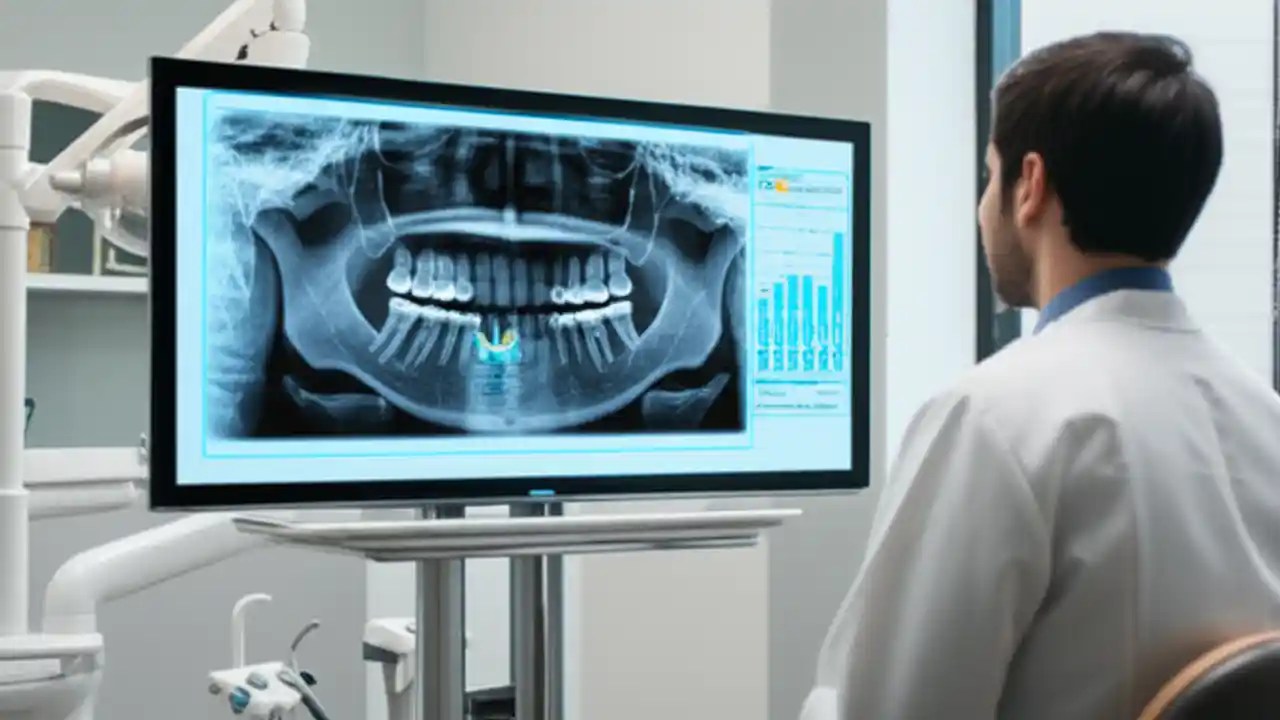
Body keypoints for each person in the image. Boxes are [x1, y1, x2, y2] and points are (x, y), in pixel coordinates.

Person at [800, 31, 1280, 720]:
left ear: (1030, 185)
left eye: (989, 175)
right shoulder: (1264, 413)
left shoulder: (998, 418)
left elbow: (895, 707)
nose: (983, 204)